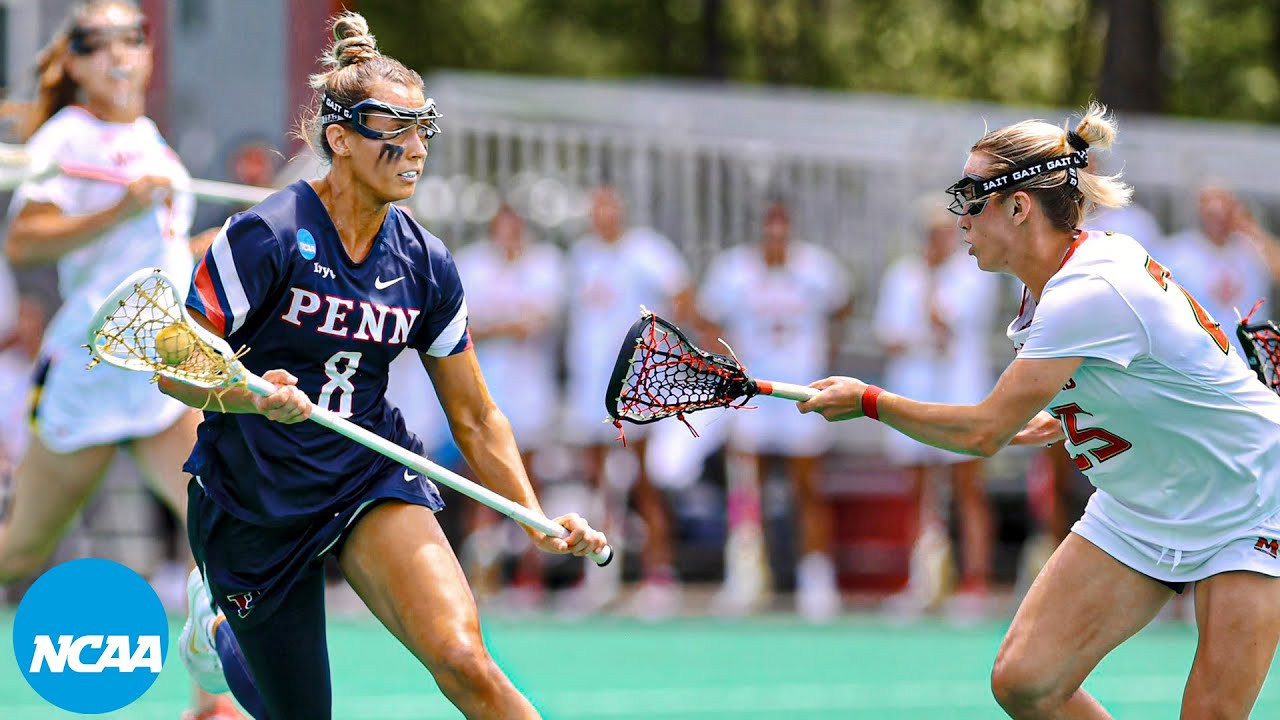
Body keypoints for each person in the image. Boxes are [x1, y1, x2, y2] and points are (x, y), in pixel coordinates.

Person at [160, 13, 608, 720]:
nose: (415, 148)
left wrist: (532, 516)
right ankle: (217, 628)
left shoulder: (426, 263)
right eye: (393, 128)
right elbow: (175, 363)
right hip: (253, 493)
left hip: (364, 476)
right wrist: (251, 394)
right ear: (339, 138)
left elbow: (474, 414)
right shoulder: (267, 235)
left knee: (465, 660)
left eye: (423, 129)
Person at [799, 102, 1280, 719]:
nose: (961, 216)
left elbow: (983, 433)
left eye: (972, 197)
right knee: (1025, 680)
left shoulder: (1086, 291)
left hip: (1249, 497)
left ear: (1019, 207)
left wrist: (870, 401)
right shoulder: (1064, 276)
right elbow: (1150, 369)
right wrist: (1071, 415)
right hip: (1146, 504)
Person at [0, 3, 238, 718]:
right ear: (73, 62)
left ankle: (210, 704)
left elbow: (153, 252)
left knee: (222, 519)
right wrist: (120, 209)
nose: (118, 53)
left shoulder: (149, 138)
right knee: (20, 551)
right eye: (96, 43)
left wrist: (215, 245)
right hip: (91, 363)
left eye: (131, 38)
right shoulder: (67, 137)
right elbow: (24, 240)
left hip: (161, 358)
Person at [698, 200, 851, 621]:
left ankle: (816, 579)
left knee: (808, 488)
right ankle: (745, 575)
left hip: (802, 392)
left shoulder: (817, 270)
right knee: (747, 488)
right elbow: (708, 318)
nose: (776, 235)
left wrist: (824, 352)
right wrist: (727, 362)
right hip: (751, 396)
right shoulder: (733, 271)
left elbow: (842, 307)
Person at [562, 183, 692, 617]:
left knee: (643, 484)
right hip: (591, 391)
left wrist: (663, 357)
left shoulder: (647, 252)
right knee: (599, 486)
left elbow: (682, 297)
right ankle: (600, 578)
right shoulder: (581, 256)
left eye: (609, 208)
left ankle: (660, 577)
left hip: (637, 389)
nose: (603, 217)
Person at [872, 202, 1000, 619]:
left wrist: (930, 289)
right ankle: (923, 580)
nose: (938, 241)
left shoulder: (973, 274)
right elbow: (890, 338)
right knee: (917, 490)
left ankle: (975, 582)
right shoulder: (901, 276)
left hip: (962, 395)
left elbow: (943, 323)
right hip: (913, 392)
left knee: (968, 489)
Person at [453, 204, 565, 610]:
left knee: (528, 485)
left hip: (531, 396)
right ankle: (481, 577)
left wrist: (495, 325)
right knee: (480, 483)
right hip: (487, 391)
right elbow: (464, 327)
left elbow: (539, 322)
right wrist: (508, 325)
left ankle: (529, 578)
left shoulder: (546, 265)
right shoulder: (471, 265)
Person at [1165, 185, 1280, 357]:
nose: (1217, 213)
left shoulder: (1252, 249)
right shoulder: (1176, 253)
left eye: (1224, 204)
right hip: (1200, 361)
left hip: (1253, 359)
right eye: (1209, 206)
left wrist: (1248, 226)